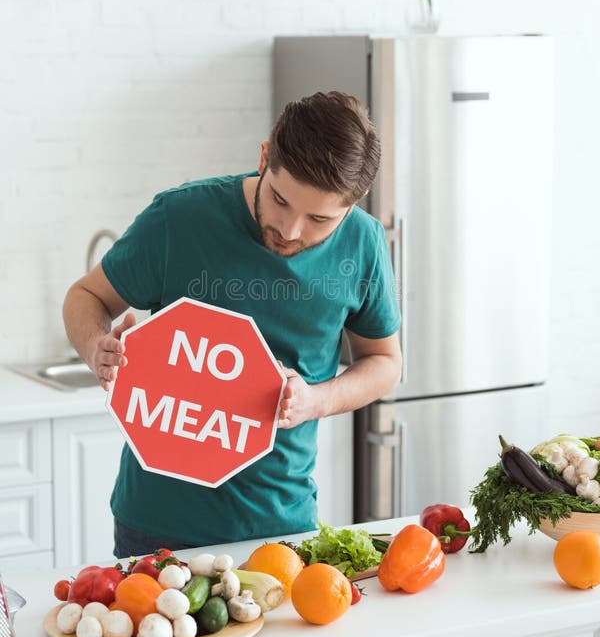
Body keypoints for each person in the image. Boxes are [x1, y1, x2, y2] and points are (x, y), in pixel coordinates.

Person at [63, 90, 402, 557]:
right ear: (264, 158)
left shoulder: (363, 244)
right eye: (280, 200)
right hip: (156, 526)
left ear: (351, 205)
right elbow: (85, 297)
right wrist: (96, 346)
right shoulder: (179, 218)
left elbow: (384, 361)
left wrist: (316, 400)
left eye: (319, 219)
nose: (291, 230)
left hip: (278, 524)